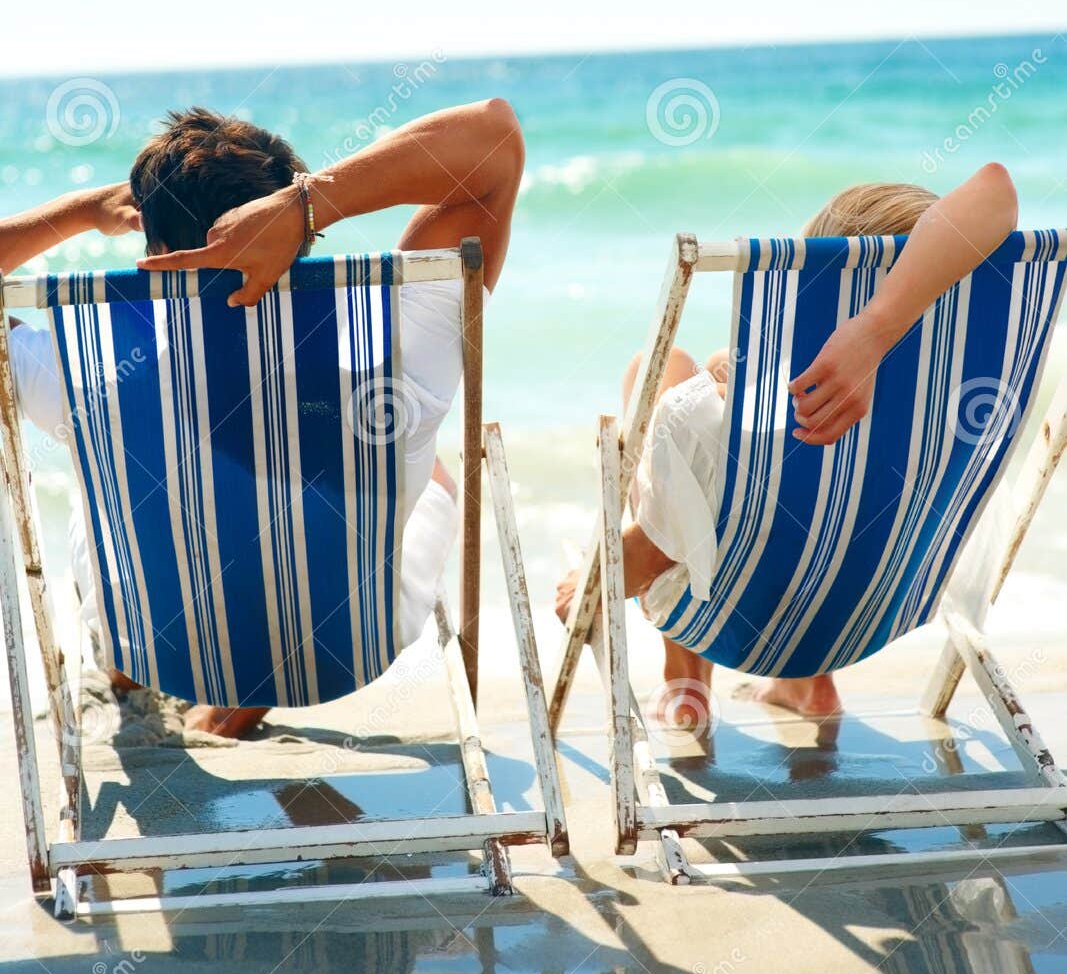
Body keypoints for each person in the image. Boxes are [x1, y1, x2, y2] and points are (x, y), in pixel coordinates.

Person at [3, 98, 524, 737]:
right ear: (295, 236)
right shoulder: (397, 349)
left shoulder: (89, 372)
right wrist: (310, 204)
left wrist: (81, 211)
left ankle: (131, 679)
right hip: (346, 651)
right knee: (423, 462)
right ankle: (252, 678)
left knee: (104, 477)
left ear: (156, 249)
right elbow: (496, 140)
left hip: (151, 646)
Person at [555, 164, 1020, 725]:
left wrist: (593, 580)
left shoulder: (773, 413)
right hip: (869, 614)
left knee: (658, 371)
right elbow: (996, 190)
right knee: (719, 388)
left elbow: (654, 552)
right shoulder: (960, 385)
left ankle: (685, 680)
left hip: (735, 619)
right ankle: (806, 683)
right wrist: (874, 333)